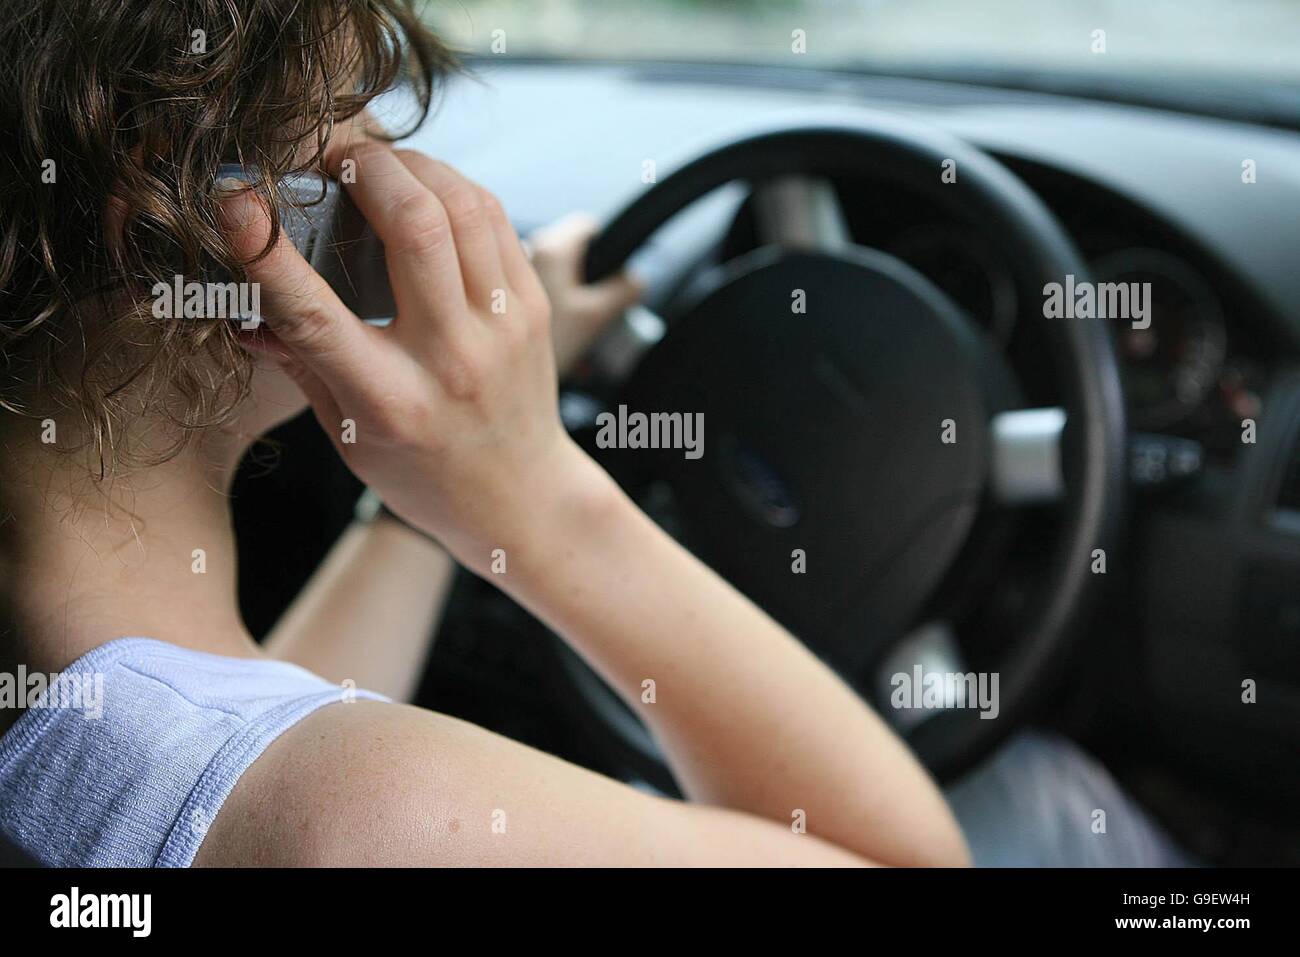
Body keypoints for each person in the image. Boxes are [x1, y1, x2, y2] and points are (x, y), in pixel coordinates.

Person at [0, 0, 1184, 868]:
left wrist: (425, 496)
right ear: (195, 220)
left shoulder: (117, 722)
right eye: (351, 144)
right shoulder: (365, 813)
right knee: (1044, 800)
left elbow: (236, 727)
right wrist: (530, 490)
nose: (389, 189)